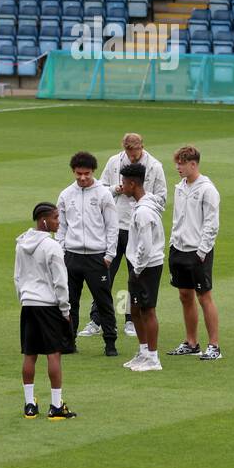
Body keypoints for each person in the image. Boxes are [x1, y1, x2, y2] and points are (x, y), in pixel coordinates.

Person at [95, 133, 167, 340]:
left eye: (134, 150)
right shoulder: (114, 161)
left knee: (134, 275)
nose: (132, 155)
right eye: (128, 150)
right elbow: (101, 190)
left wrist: (142, 199)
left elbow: (162, 198)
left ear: (142, 146)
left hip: (138, 225)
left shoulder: (154, 166)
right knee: (104, 273)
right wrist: (117, 189)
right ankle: (97, 318)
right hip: (114, 226)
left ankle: (130, 319)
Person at [15, 203, 77, 419]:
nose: (58, 222)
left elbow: (17, 277)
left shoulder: (21, 243)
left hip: (28, 304)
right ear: (44, 221)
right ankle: (56, 406)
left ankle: (30, 404)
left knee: (30, 354)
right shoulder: (52, 247)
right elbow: (61, 282)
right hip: (49, 306)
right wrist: (65, 309)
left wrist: (24, 298)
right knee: (53, 354)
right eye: (55, 218)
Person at [56, 152, 119, 356]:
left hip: (96, 256)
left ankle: (110, 343)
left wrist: (109, 255)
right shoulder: (66, 194)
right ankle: (68, 341)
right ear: (73, 171)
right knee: (69, 301)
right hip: (72, 256)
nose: (82, 178)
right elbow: (61, 226)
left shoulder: (103, 194)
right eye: (78, 174)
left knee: (103, 301)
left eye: (87, 173)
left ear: (93, 171)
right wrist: (61, 251)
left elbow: (112, 226)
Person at [166, 145, 222, 361]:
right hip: (178, 249)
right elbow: (177, 219)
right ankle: (191, 343)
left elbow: (211, 224)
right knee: (184, 296)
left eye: (181, 163)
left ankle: (214, 346)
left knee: (204, 297)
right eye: (177, 163)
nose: (178, 167)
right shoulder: (180, 187)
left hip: (198, 252)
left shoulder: (207, 189)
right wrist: (173, 243)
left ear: (193, 164)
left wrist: (201, 251)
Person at [119, 162, 166, 372]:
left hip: (147, 267)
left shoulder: (144, 212)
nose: (122, 187)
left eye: (123, 183)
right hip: (140, 266)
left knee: (148, 310)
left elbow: (145, 246)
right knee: (135, 309)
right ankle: (144, 351)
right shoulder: (140, 207)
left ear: (132, 183)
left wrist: (136, 269)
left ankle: (153, 358)